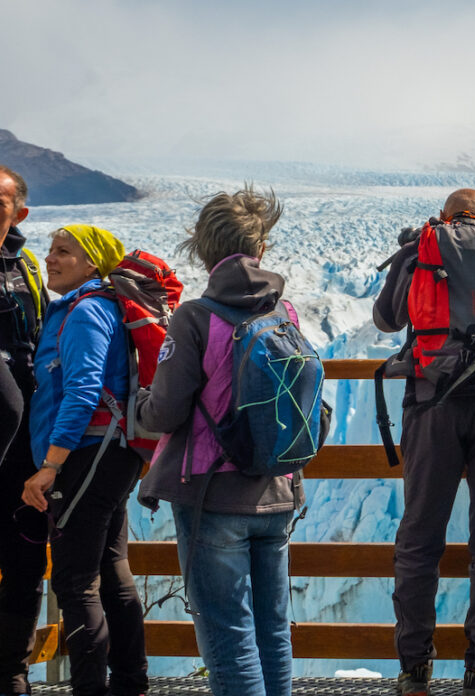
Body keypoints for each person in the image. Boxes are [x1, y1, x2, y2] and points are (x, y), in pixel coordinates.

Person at [374, 189, 475, 696]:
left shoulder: (421, 248)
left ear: (443, 218)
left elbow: (387, 319)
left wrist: (414, 256)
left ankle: (414, 670)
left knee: (420, 538)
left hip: (431, 406)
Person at [135, 188, 298, 696]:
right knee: (272, 633)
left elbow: (165, 411)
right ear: (261, 248)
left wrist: (137, 403)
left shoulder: (195, 318)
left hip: (213, 497)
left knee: (229, 641)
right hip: (278, 491)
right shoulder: (285, 314)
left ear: (204, 250)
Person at [20, 226, 147, 696]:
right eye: (50, 250)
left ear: (92, 262)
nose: (50, 259)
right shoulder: (104, 305)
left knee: (75, 581)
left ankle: (92, 689)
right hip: (113, 453)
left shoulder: (87, 311)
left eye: (63, 252)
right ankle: (131, 683)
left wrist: (51, 464)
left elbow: (82, 392)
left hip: (89, 453)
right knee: (111, 571)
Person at [0, 166, 46, 695]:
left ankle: (12, 671)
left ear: (18, 214)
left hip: (23, 453)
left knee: (25, 562)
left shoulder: (27, 268)